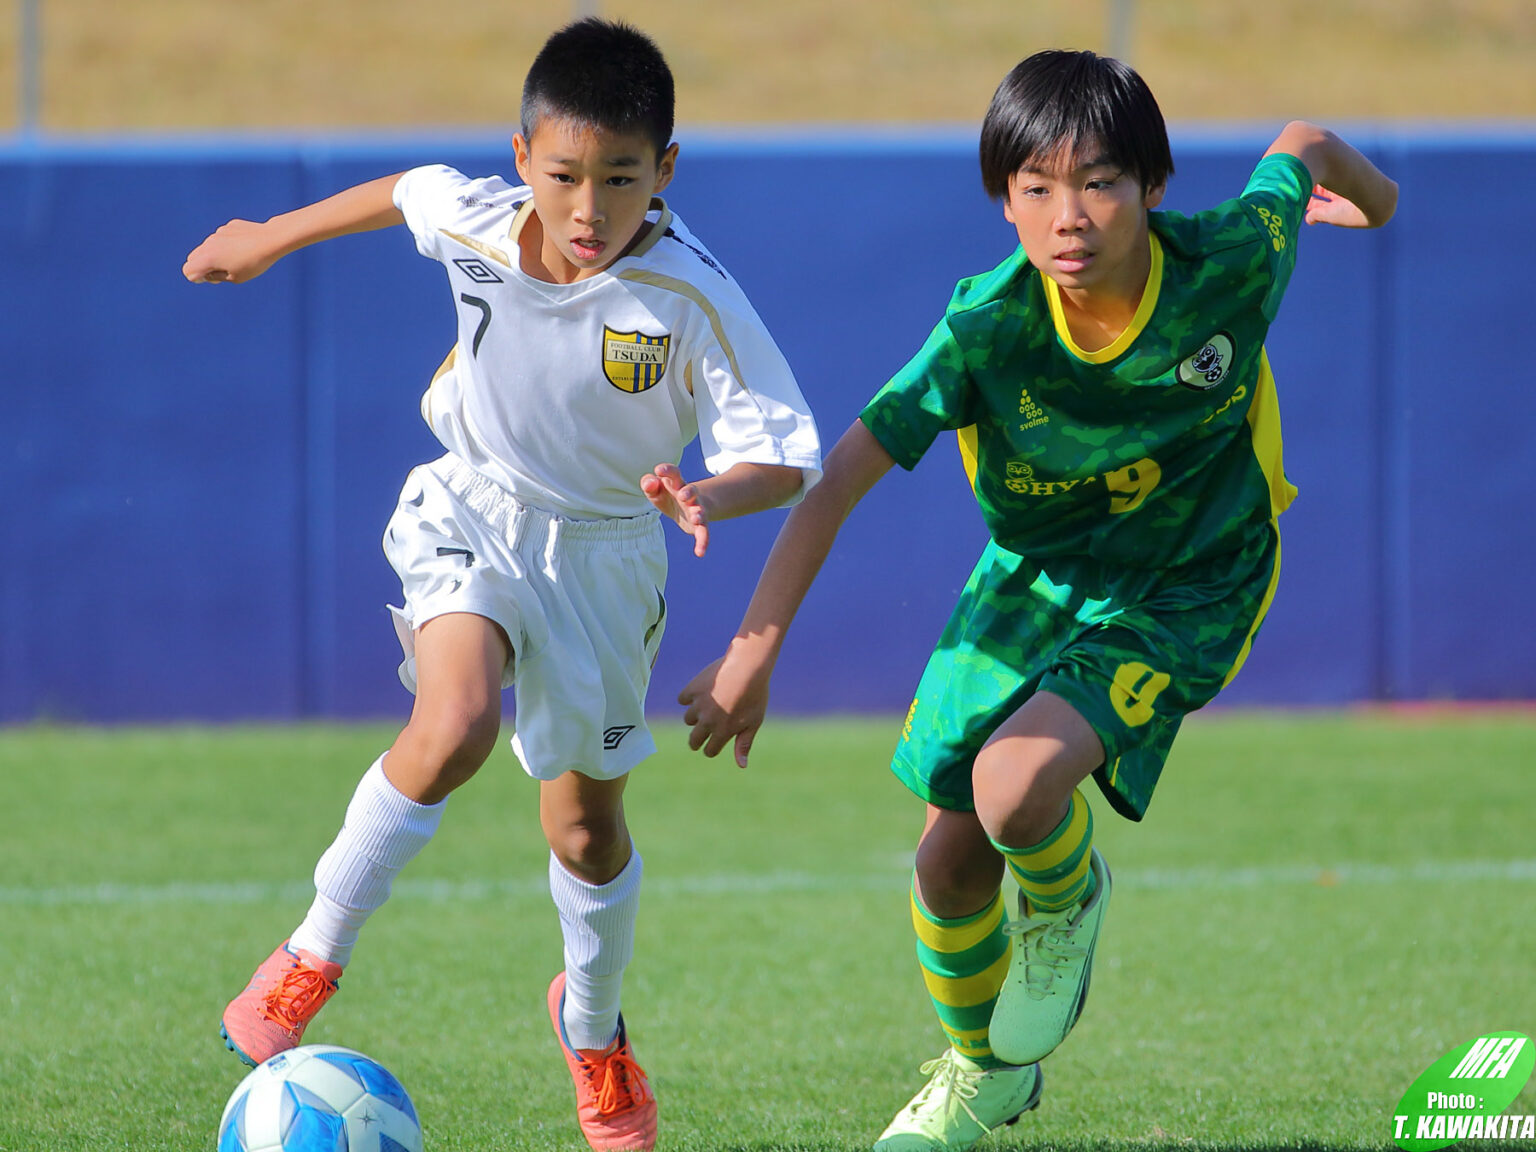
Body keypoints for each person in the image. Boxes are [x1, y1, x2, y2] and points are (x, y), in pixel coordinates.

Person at [675, 49, 1396, 1152]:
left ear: (1153, 185)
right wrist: (749, 653)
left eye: (1101, 181)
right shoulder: (986, 331)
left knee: (1015, 791)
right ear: (1001, 199)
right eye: (1037, 188)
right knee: (945, 860)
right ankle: (986, 1079)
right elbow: (831, 486)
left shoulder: (1233, 263)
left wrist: (1379, 203)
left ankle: (1065, 908)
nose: (1071, 216)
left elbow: (1300, 143)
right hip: (1033, 583)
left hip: (1194, 581)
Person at [183, 18, 821, 1152]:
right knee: (457, 720)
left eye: (621, 179)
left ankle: (590, 1026)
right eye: (566, 175)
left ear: (664, 174)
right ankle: (310, 955)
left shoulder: (692, 296)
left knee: (583, 831)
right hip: (470, 504)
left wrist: (709, 497)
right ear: (522, 157)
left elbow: (784, 455)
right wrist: (269, 237)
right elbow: (402, 189)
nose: (589, 209)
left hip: (610, 555)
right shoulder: (476, 214)